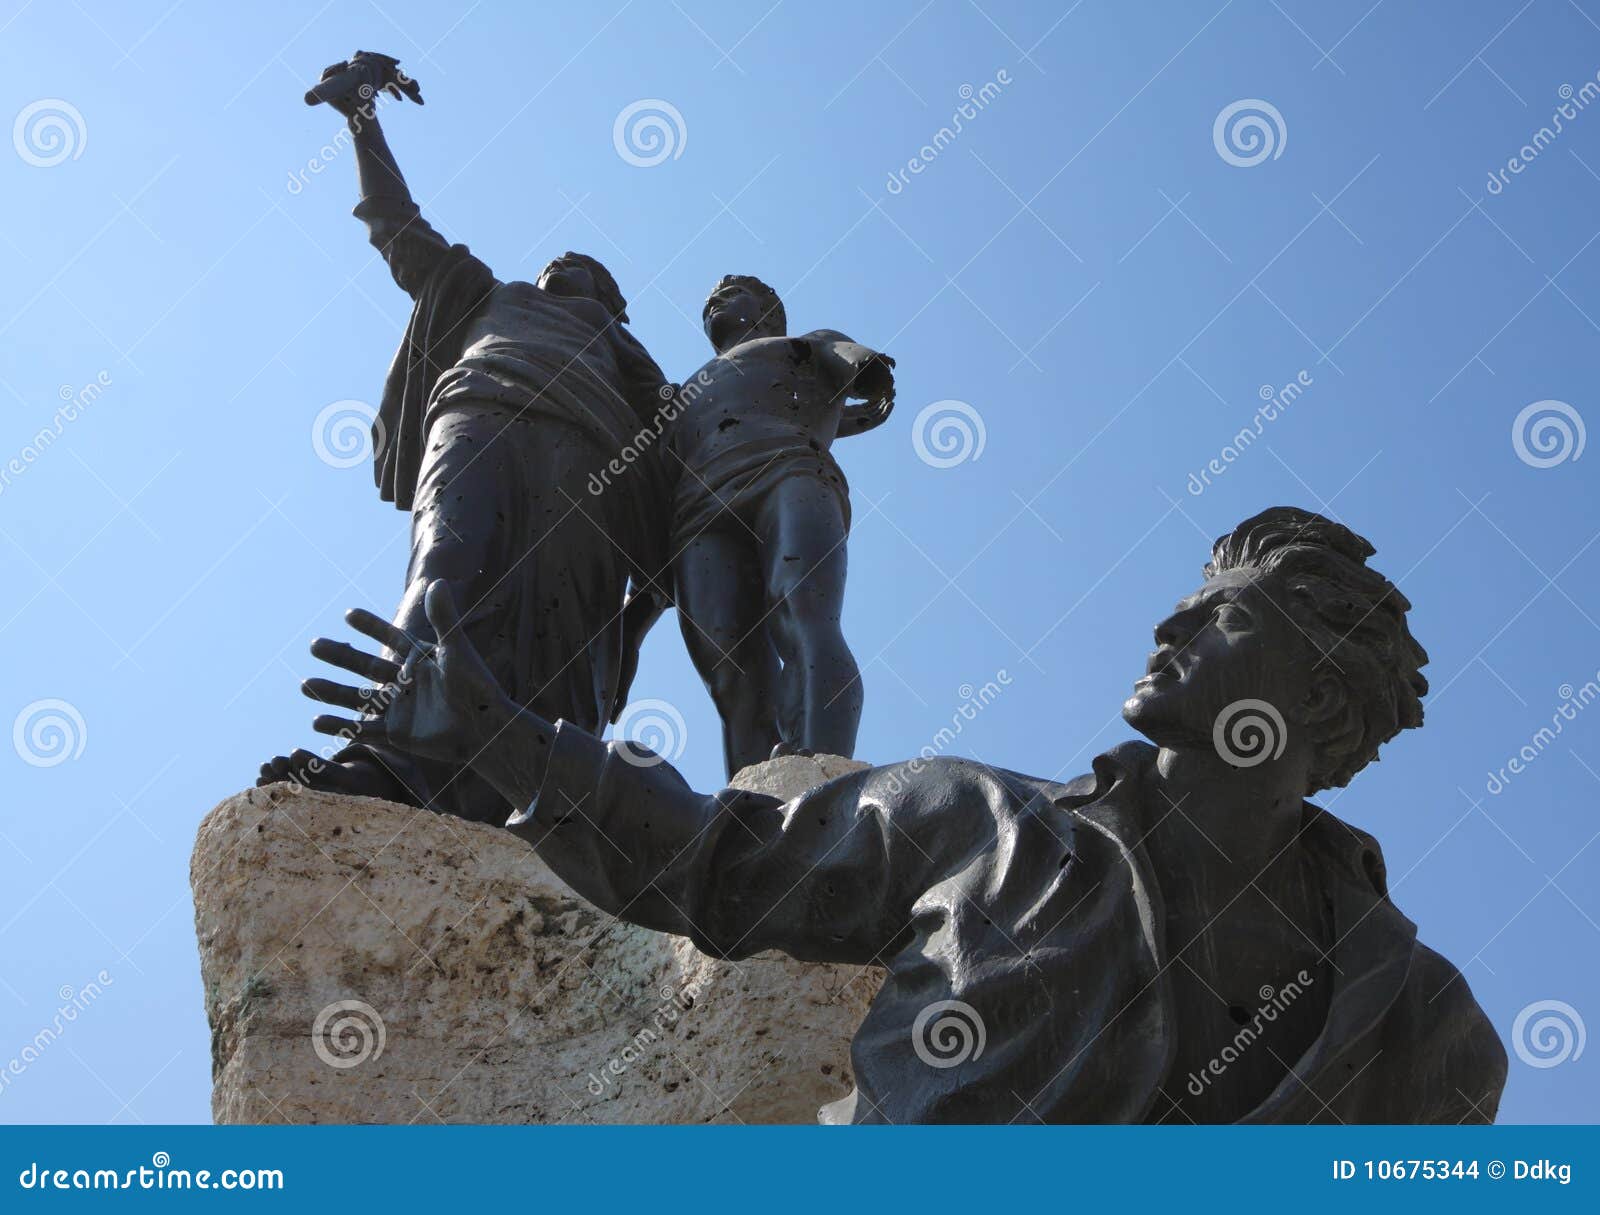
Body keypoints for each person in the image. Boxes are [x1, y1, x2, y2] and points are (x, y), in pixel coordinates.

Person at [291, 500, 1507, 1123]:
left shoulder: (1422, 1019)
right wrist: (509, 746)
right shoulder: (973, 821)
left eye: (1227, 613)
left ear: (1315, 694)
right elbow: (716, 864)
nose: (1171, 624)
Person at [259, 52, 671, 823]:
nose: (561, 269)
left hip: (594, 459)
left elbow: (682, 441)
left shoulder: (622, 350)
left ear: (613, 302)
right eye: (553, 263)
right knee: (446, 564)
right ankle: (381, 754)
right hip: (480, 411)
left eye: (582, 269)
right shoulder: (487, 294)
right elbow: (398, 230)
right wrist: (362, 119)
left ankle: (527, 790)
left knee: (567, 629)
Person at [617, 275, 895, 776]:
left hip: (787, 469)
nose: (713, 306)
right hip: (696, 515)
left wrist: (868, 375)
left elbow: (855, 362)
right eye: (707, 304)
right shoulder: (684, 396)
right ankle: (754, 796)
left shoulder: (804, 344)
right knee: (730, 671)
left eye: (729, 295)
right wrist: (633, 625)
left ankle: (822, 769)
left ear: (769, 308)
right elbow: (654, 490)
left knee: (801, 609)